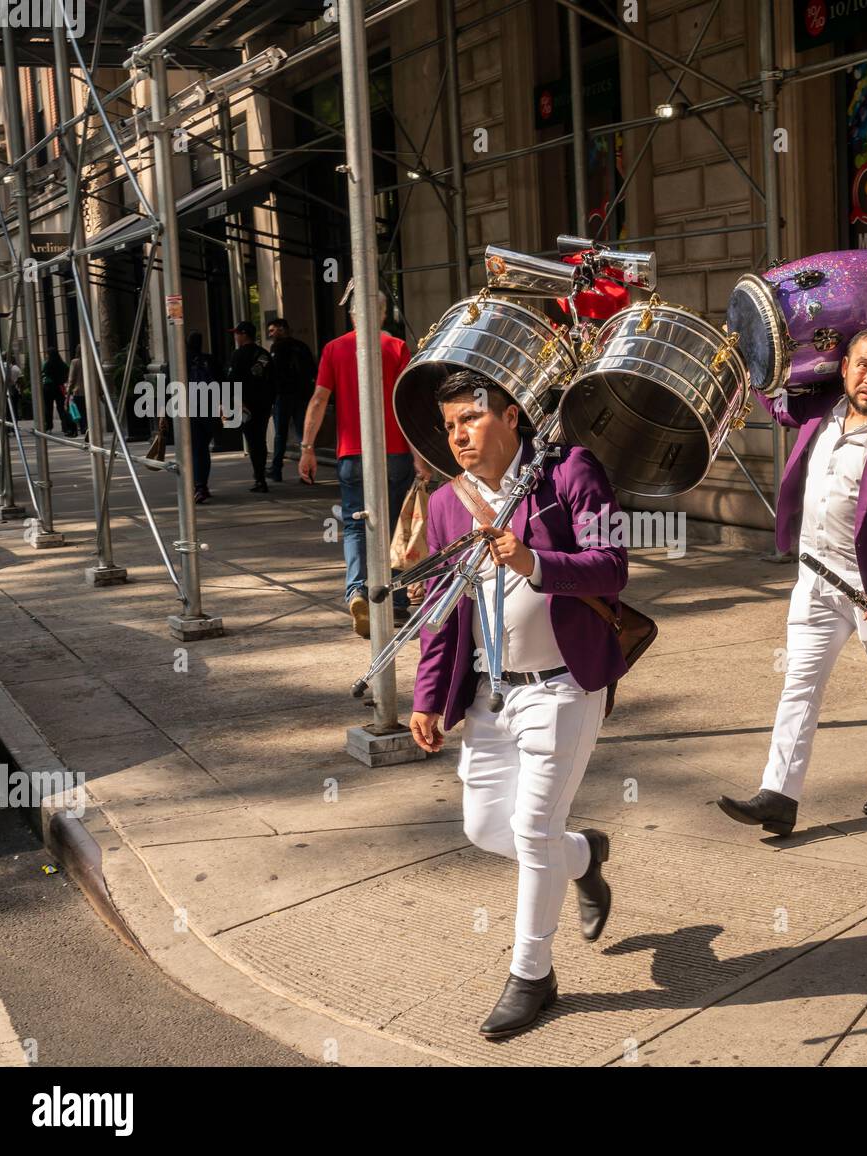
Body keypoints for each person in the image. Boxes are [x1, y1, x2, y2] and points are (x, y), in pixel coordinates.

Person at [409, 369, 626, 1039]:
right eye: (449, 428)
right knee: (482, 829)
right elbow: (445, 614)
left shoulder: (569, 472)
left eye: (469, 420)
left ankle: (532, 975)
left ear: (510, 416)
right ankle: (583, 856)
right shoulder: (448, 503)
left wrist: (535, 561)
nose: (458, 437)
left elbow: (613, 563)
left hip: (564, 682)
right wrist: (426, 694)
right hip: (489, 692)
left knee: (532, 832)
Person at [717, 327, 867, 835]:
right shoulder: (819, 407)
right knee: (800, 685)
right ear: (843, 367)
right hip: (814, 580)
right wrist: (749, 347)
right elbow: (774, 400)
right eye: (863, 364)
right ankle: (779, 796)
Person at [298, 286, 414, 637]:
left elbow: (319, 400)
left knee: (353, 524)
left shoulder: (334, 349)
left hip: (352, 453)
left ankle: (357, 591)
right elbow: (407, 402)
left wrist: (307, 447)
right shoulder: (396, 348)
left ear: (351, 315)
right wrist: (421, 456)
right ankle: (393, 601)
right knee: (395, 525)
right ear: (381, 314)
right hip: (394, 451)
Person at [266, 317, 317, 483]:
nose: (270, 334)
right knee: (304, 435)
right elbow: (312, 371)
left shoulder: (277, 348)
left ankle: (276, 469)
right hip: (302, 396)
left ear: (282, 329)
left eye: (273, 330)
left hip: (284, 395)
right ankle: (307, 472)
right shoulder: (301, 347)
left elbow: (273, 373)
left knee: (280, 434)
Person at [226, 320, 275, 492]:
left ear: (244, 334)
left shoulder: (237, 355)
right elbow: (271, 379)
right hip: (263, 403)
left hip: (245, 404)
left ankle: (259, 478)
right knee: (259, 439)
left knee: (253, 440)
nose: (236, 336)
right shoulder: (264, 354)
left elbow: (232, 381)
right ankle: (260, 476)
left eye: (237, 333)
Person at [186, 331, 220, 503]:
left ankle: (197, 485)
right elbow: (222, 382)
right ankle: (202, 484)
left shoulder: (179, 360)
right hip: (209, 408)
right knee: (203, 448)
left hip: (188, 410)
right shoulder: (210, 360)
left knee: (194, 449)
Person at [40, 347, 72, 436]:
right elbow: (67, 372)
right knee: (61, 408)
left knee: (48, 408)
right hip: (59, 387)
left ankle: (49, 427)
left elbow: (43, 373)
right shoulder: (62, 364)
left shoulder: (46, 364)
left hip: (48, 387)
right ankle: (65, 427)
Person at [65, 346, 87, 437]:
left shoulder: (75, 362)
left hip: (78, 391)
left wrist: (68, 392)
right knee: (85, 412)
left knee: (77, 411)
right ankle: (85, 428)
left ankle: (80, 430)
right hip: (89, 393)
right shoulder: (90, 361)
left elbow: (71, 379)